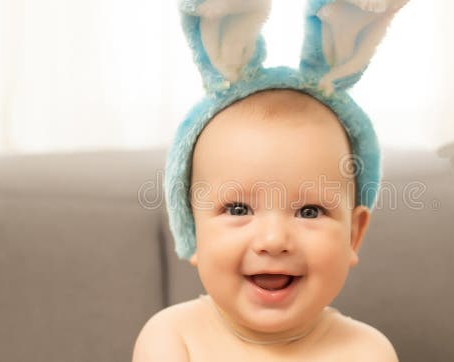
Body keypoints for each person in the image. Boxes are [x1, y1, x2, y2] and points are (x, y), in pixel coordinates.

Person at [133, 1, 407, 360]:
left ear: (353, 234)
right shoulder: (173, 337)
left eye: (309, 212)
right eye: (238, 208)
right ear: (192, 227)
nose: (274, 241)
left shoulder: (364, 351)